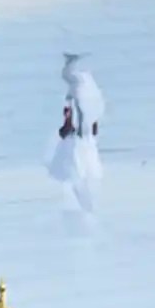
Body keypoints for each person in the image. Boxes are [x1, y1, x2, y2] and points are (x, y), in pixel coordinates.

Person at [46, 53, 105, 212]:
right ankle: (71, 64)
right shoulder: (83, 98)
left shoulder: (78, 97)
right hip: (80, 142)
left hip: (78, 143)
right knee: (79, 174)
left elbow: (77, 122)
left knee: (77, 173)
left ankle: (71, 64)